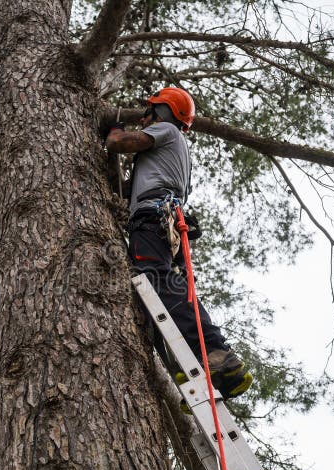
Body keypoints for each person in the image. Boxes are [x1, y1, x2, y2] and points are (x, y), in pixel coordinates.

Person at [105, 87, 253, 399]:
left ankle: (219, 357)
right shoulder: (163, 158)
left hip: (152, 216)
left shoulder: (167, 131)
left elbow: (118, 142)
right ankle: (191, 378)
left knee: (159, 283)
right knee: (152, 299)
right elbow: (123, 189)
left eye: (149, 111)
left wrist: (113, 129)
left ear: (164, 112)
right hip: (158, 217)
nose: (144, 118)